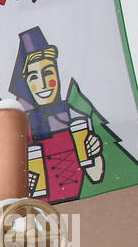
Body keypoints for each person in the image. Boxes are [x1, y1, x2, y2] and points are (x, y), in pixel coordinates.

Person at [9, 27, 104, 202]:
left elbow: (96, 175)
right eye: (34, 77)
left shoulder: (73, 117)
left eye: (48, 73)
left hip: (79, 211)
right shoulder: (21, 128)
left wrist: (94, 154)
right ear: (26, 84)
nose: (44, 84)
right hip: (36, 218)